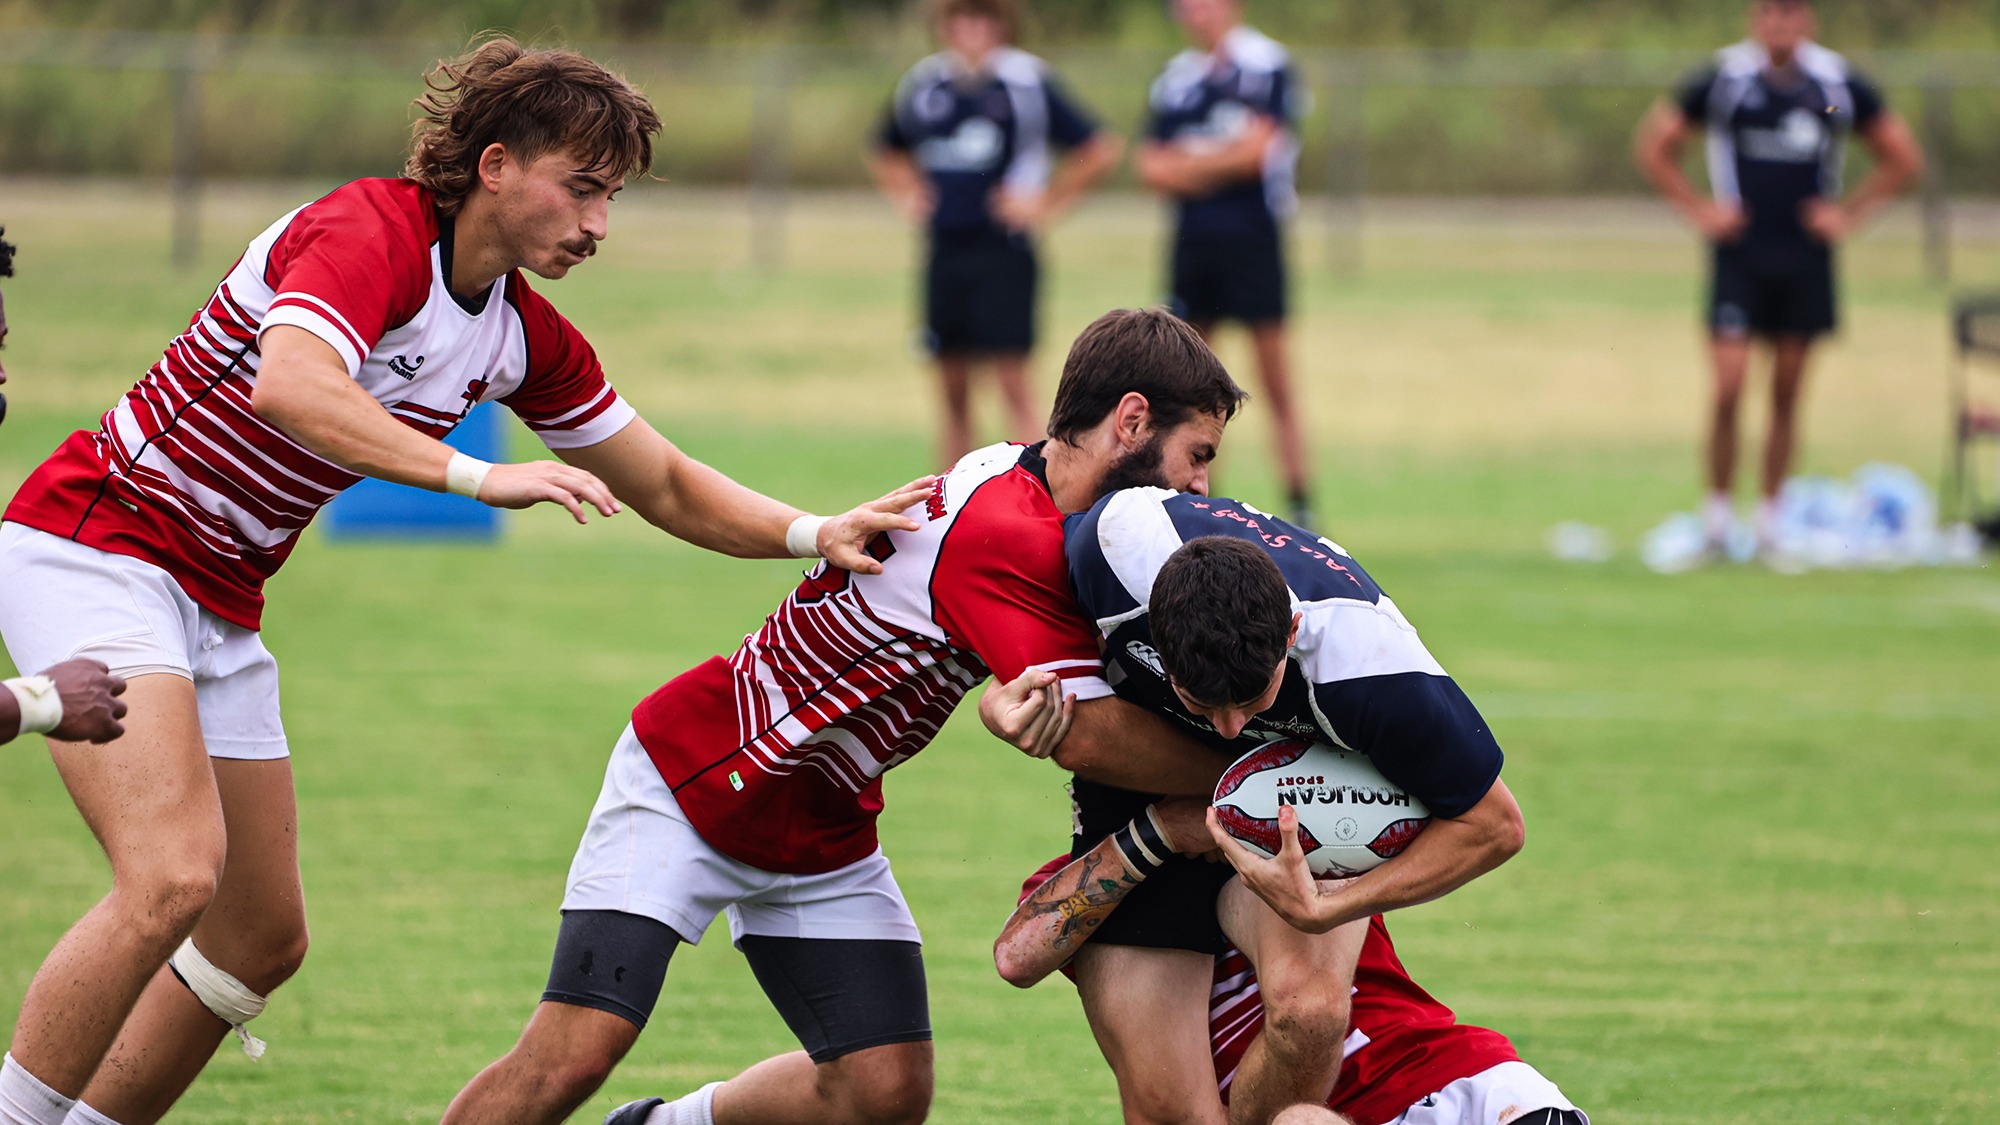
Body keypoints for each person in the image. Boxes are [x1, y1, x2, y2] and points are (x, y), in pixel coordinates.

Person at [0, 40, 931, 1125]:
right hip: (98, 543)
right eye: (581, 188)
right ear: (494, 165)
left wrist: (816, 529)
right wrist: (475, 476)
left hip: (217, 602)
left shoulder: (519, 334)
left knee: (260, 938)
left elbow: (666, 483)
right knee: (169, 877)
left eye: (611, 197)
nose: (597, 226)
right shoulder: (369, 231)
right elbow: (289, 383)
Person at [439, 309, 1250, 1125]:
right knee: (573, 1053)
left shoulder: (1032, 483)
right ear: (1132, 420)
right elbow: (1090, 732)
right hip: (703, 776)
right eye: (1198, 456)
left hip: (820, 821)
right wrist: (1259, 772)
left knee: (883, 1091)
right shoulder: (1008, 529)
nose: (1201, 488)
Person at [981, 492, 1523, 1123]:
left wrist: (1332, 905)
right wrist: (1003, 699)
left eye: (1255, 697)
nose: (1234, 729)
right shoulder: (1109, 555)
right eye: (1202, 703)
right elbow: (1015, 960)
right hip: (1151, 818)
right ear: (1155, 644)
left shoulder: (1370, 674)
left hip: (1292, 837)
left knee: (1310, 1012)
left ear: (1290, 635)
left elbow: (1496, 826)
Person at [997, 824, 1589, 1125]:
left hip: (1463, 1088)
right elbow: (1018, 954)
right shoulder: (1093, 880)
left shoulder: (1294, 832)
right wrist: (1157, 831)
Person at [1634, 0, 1922, 559]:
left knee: (1787, 393)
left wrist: (1848, 215)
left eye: (1790, 15)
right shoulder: (1725, 80)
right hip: (1740, 256)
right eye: (1769, 14)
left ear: (1807, 22)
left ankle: (1769, 525)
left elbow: (1901, 155)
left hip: (1804, 259)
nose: (1779, 26)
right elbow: (1655, 144)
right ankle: (1717, 522)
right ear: (1754, 20)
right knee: (1729, 386)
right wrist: (1699, 209)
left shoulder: (1834, 82)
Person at [870, 0, 1122, 465]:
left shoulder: (1025, 82)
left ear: (1002, 25)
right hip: (946, 249)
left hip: (1003, 250)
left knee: (1012, 384)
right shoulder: (926, 84)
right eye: (961, 19)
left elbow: (1098, 147)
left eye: (983, 19)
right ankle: (946, 511)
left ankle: (1035, 499)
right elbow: (885, 148)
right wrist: (908, 194)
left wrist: (1045, 203)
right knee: (951, 391)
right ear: (944, 25)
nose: (972, 30)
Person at [1138, 0, 1312, 529]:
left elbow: (1259, 151)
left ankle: (1300, 499)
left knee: (1274, 376)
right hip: (1195, 243)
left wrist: (1190, 163)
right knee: (1190, 381)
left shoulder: (1268, 65)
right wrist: (1220, 160)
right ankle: (1201, 500)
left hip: (1254, 239)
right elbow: (1151, 166)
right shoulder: (1175, 80)